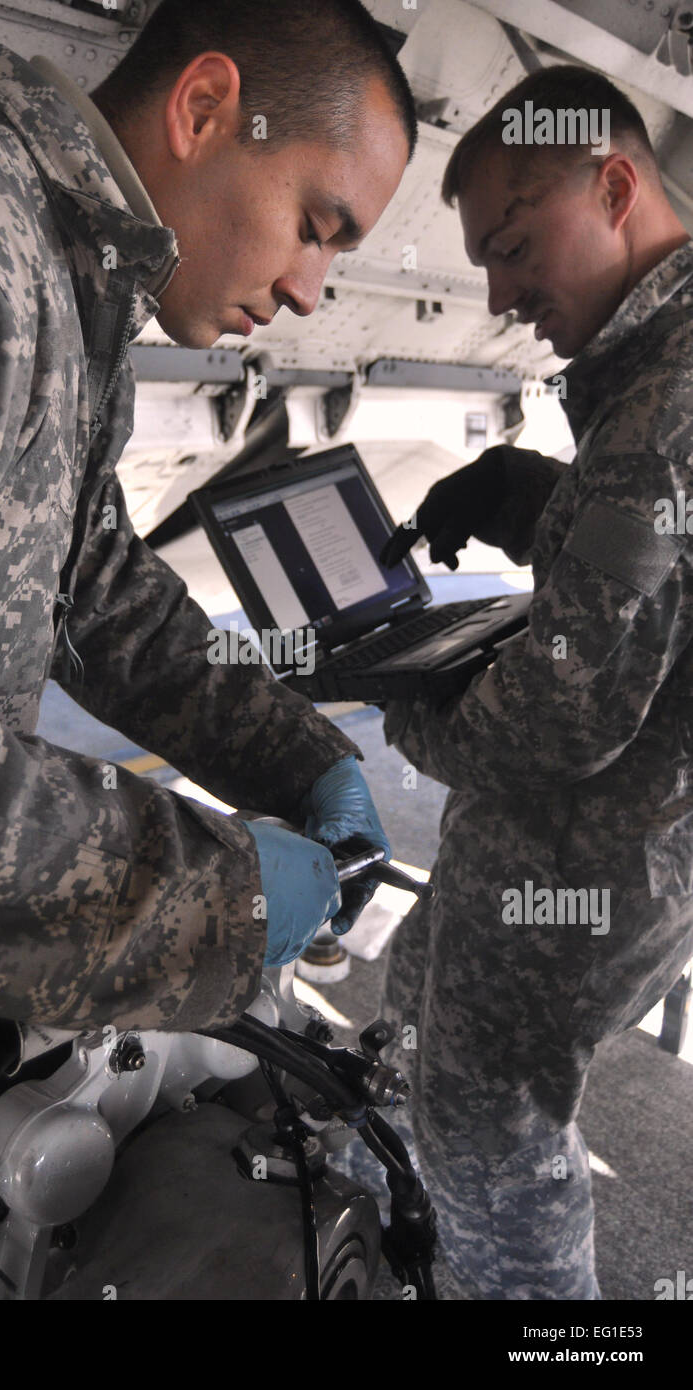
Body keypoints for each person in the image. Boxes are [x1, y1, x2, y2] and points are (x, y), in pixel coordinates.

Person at [0, 0, 414, 1277]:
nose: (314, 288)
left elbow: (91, 581)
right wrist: (223, 893)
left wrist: (296, 757)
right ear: (204, 109)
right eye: (316, 223)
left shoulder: (56, 273)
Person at [380, 64, 693, 1300]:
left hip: (586, 863)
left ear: (612, 186)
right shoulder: (649, 384)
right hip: (581, 847)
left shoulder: (660, 409)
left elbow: (555, 713)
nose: (502, 297)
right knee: (410, 1014)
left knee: (491, 1136)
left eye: (513, 248)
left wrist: (407, 705)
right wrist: (542, 506)